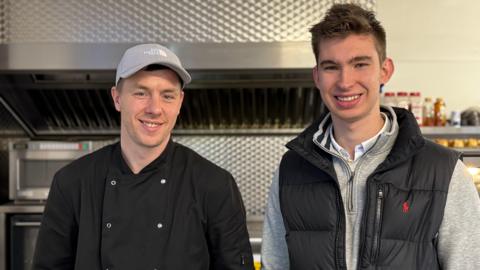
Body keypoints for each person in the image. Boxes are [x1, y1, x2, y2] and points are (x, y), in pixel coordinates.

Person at [261, 4, 480, 270]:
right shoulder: (290, 171)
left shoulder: (443, 172)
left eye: (360, 64)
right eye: (331, 67)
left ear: (385, 70)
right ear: (317, 76)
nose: (345, 81)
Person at [33, 44, 254, 270]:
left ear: (179, 102)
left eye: (167, 96)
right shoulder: (72, 182)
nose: (155, 108)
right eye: (141, 93)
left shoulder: (215, 185)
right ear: (117, 98)